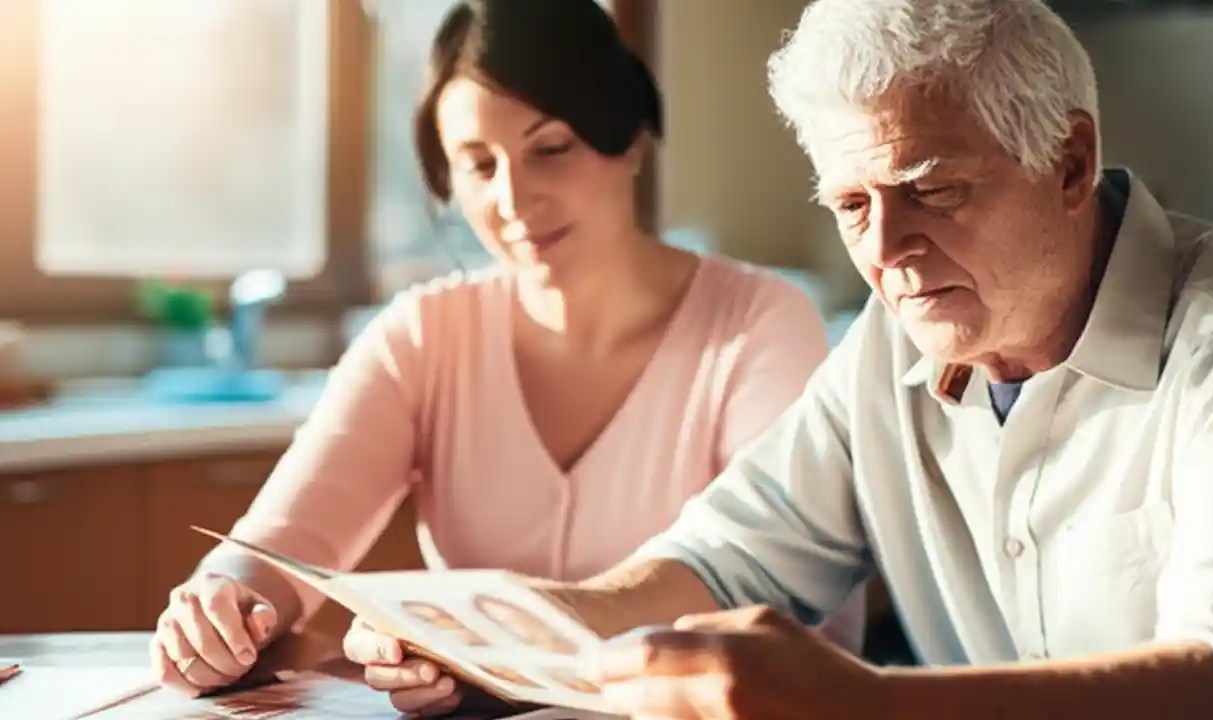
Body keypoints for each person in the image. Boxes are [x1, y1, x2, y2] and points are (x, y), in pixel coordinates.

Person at [344, 0, 1213, 717]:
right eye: (851, 206)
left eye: (934, 192)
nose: (889, 254)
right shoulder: (890, 342)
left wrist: (864, 705)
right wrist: (489, 641)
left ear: (1070, 163)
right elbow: (717, 561)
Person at [149, 0, 832, 711]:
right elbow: (277, 548)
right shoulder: (420, 336)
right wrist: (220, 601)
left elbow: (780, 592)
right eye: (477, 164)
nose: (514, 198)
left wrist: (506, 653)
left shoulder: (761, 325)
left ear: (627, 137)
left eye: (552, 148)